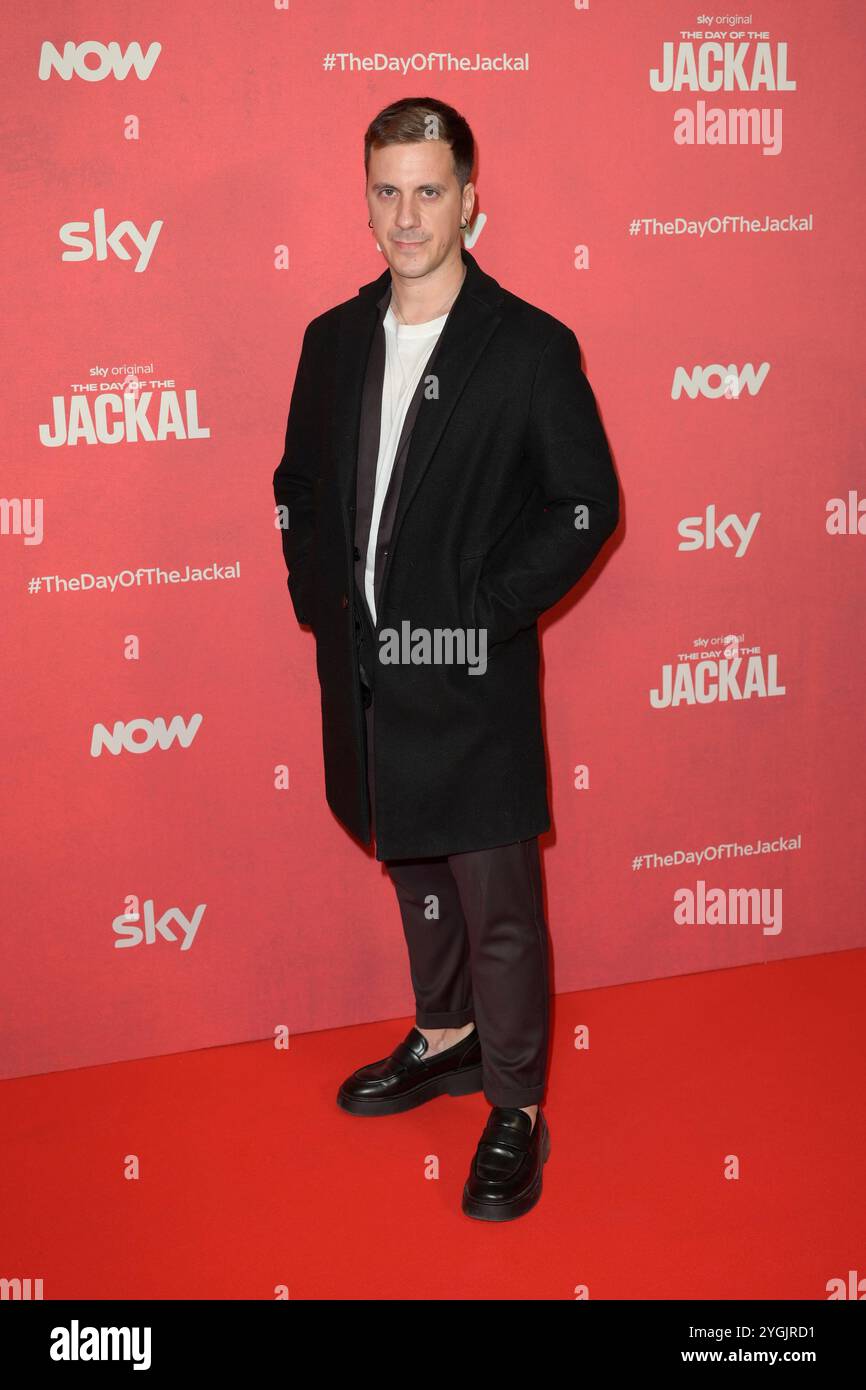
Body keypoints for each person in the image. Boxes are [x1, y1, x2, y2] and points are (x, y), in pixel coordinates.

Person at [273, 97, 619, 1221]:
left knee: (498, 905)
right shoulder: (330, 341)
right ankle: (447, 1033)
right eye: (387, 191)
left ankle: (514, 1105)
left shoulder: (526, 347)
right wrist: (319, 600)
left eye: (429, 190)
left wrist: (483, 612)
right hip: (366, 678)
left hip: (469, 680)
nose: (406, 215)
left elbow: (584, 504)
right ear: (364, 199)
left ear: (472, 198)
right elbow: (296, 489)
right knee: (409, 864)